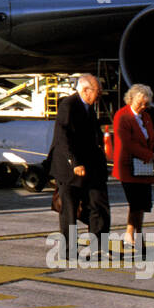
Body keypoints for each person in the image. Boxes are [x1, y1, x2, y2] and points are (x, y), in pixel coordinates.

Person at [50, 73, 110, 260]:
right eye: (97, 92)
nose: (99, 95)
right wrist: (74, 162)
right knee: (69, 209)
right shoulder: (69, 105)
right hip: (69, 169)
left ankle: (99, 247)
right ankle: (68, 251)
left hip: (91, 167)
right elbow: (63, 137)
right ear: (85, 90)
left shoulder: (88, 107)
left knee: (98, 205)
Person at [112, 83, 154, 251]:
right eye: (140, 103)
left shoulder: (146, 117)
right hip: (128, 166)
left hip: (144, 167)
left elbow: (153, 139)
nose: (143, 106)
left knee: (142, 204)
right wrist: (151, 156)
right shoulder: (122, 116)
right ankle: (137, 236)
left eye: (146, 103)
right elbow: (127, 143)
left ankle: (131, 234)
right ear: (131, 99)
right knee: (136, 203)